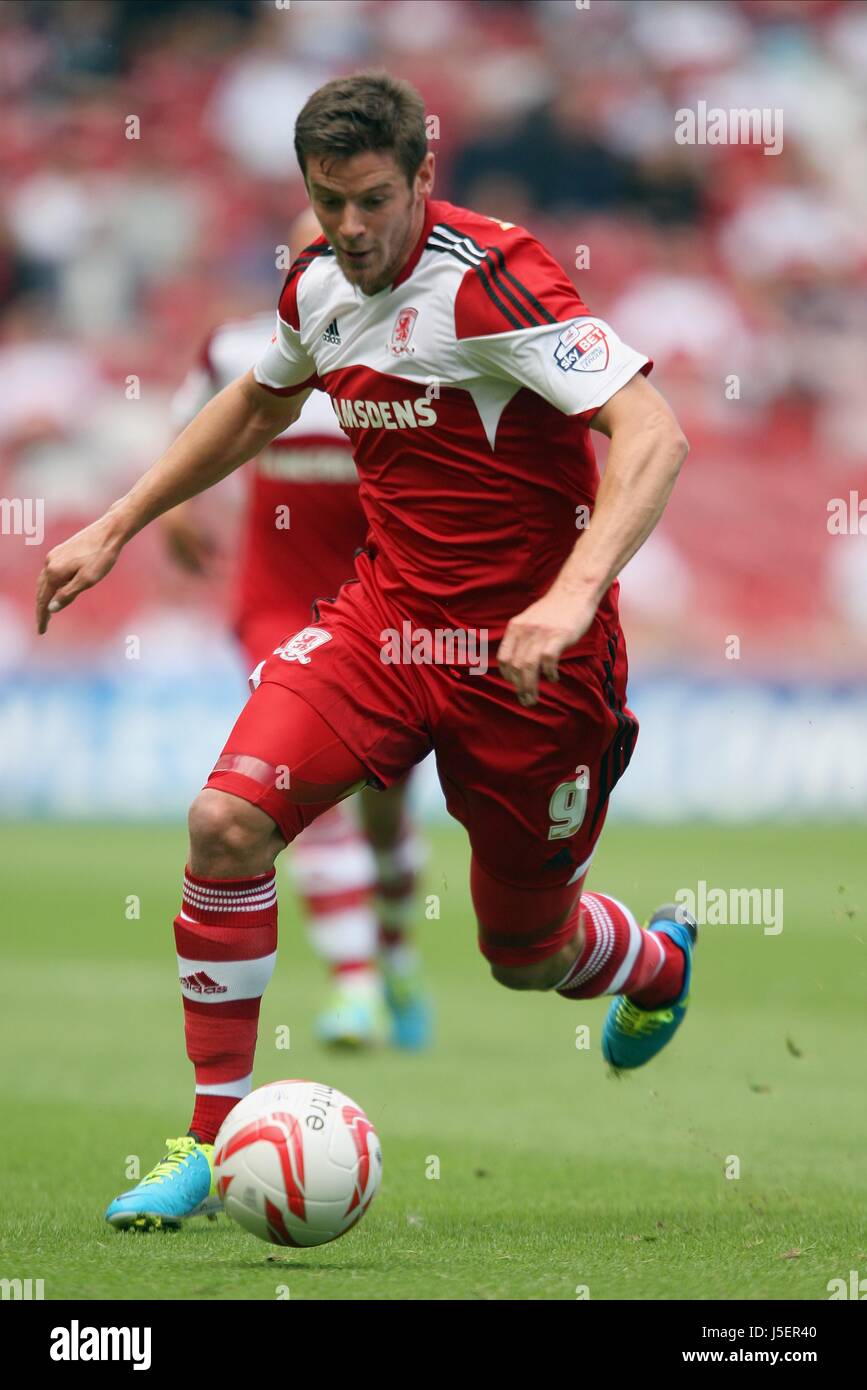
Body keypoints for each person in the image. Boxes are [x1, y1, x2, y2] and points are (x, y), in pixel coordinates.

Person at [36, 72, 693, 1234]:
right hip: (385, 628)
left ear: (423, 179)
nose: (350, 228)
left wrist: (574, 593)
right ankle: (205, 1138)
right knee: (224, 823)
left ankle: (649, 964)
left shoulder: (496, 283)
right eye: (327, 201)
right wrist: (116, 521)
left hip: (533, 663)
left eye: (374, 200)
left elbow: (653, 429)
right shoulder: (318, 285)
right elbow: (255, 403)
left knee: (524, 954)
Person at [162, 210, 430, 1052]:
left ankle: (392, 955)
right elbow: (191, 426)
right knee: (302, 789)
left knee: (388, 807)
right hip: (276, 605)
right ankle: (353, 987)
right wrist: (172, 506)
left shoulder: (414, 346)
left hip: (382, 605)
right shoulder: (237, 349)